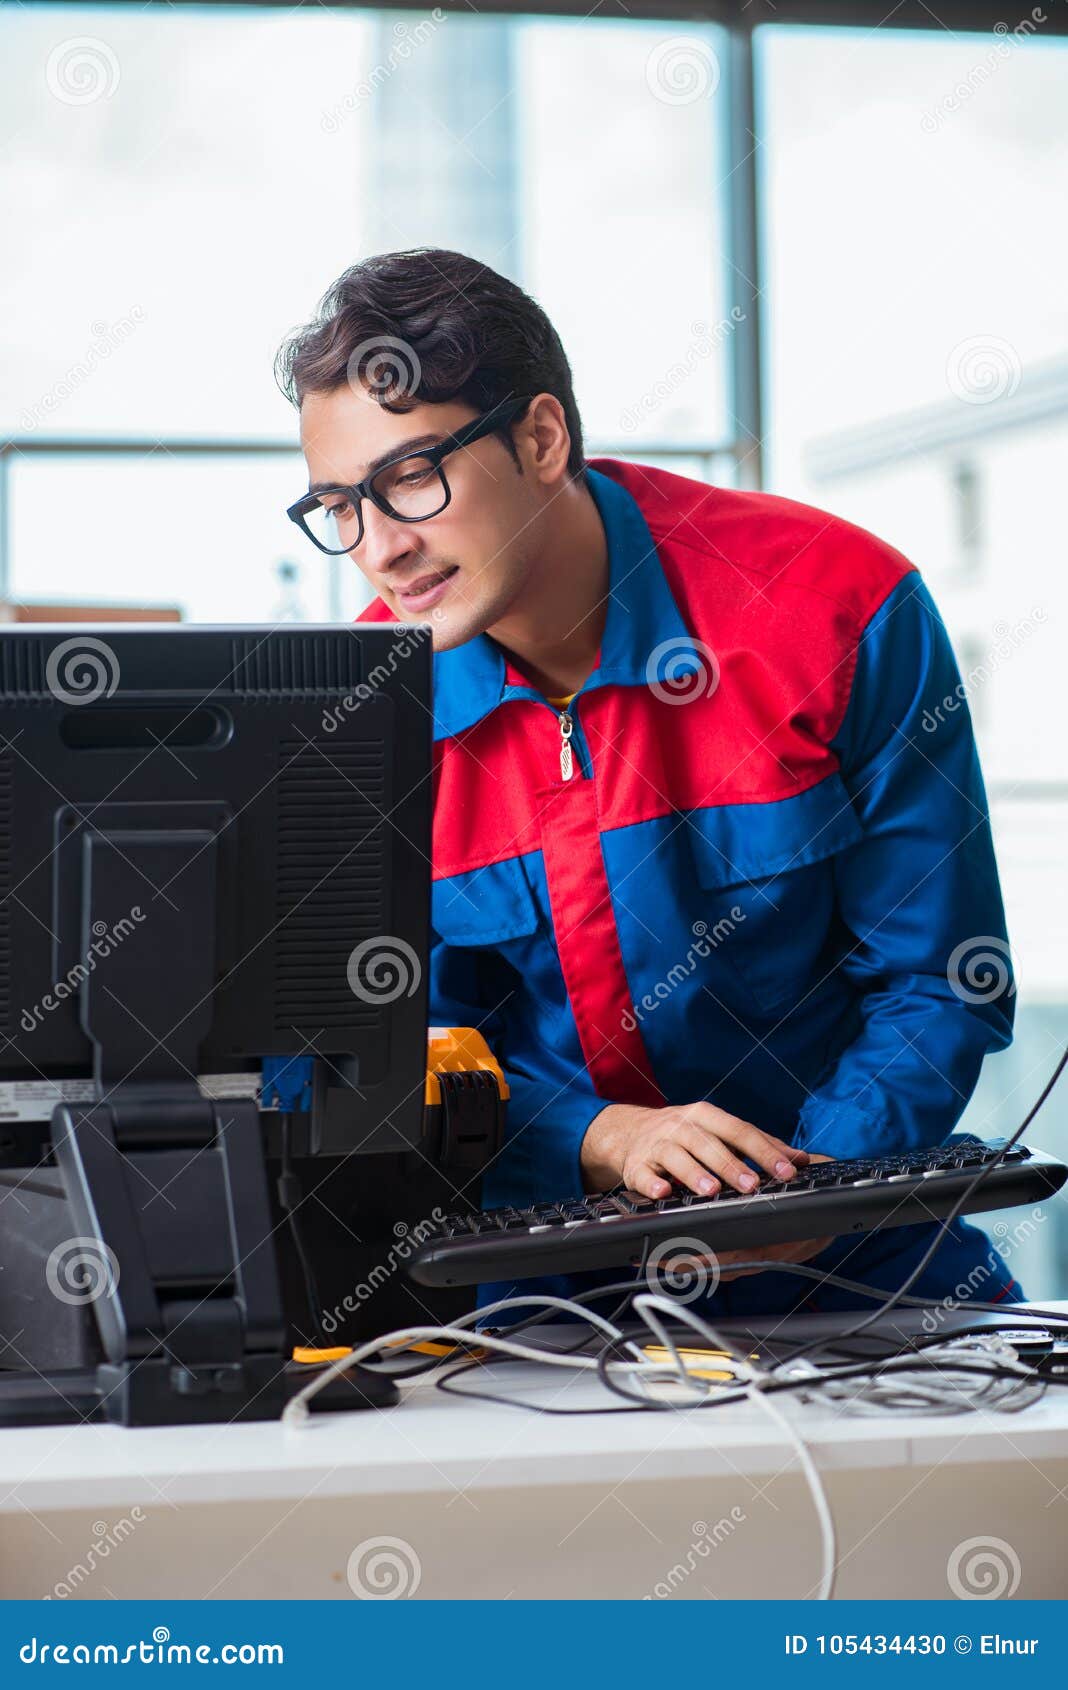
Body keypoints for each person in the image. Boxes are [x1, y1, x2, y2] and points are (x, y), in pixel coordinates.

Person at [276, 247, 1021, 1316]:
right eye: (339, 505)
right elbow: (361, 1061)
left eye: (410, 479)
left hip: (867, 1276)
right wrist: (601, 1136)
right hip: (541, 1303)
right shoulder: (365, 717)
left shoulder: (837, 608)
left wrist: (795, 1192)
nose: (382, 548)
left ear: (541, 436)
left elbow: (942, 979)